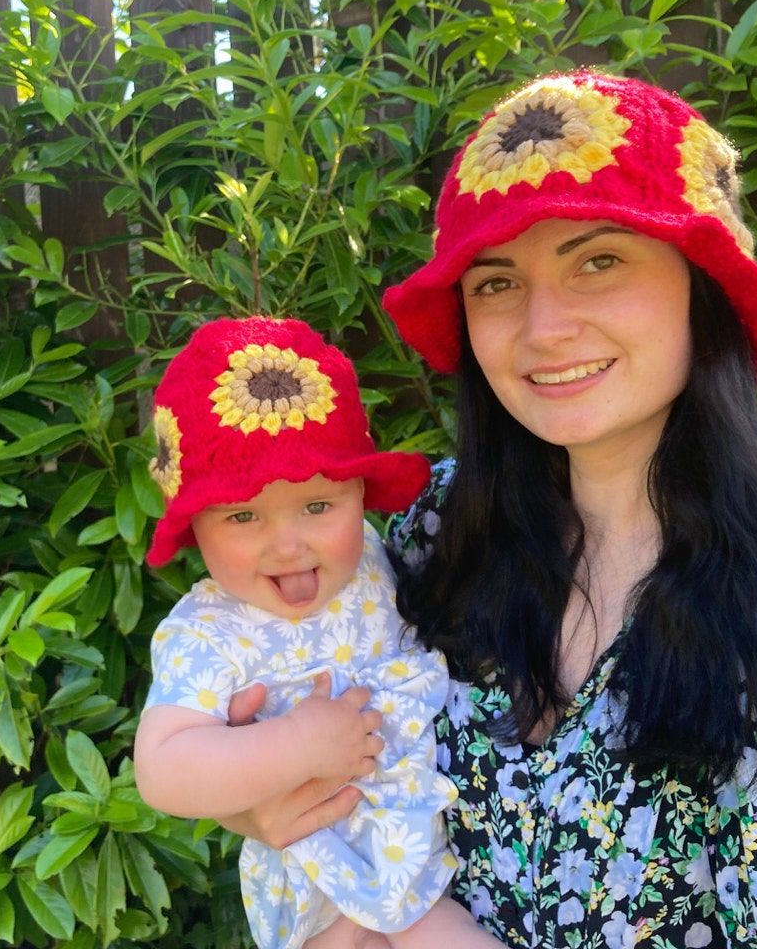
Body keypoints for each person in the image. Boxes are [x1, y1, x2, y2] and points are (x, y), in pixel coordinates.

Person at [220, 72, 757, 947]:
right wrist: (263, 802)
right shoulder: (438, 533)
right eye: (495, 283)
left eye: (599, 261)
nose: (544, 328)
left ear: (701, 287)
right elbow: (290, 754)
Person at [133, 316, 505, 949]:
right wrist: (296, 745)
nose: (288, 544)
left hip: (419, 876)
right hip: (319, 890)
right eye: (243, 516)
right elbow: (163, 769)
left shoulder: (370, 562)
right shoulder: (210, 633)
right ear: (195, 527)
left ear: (360, 492)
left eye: (317, 505)